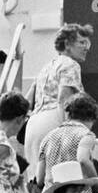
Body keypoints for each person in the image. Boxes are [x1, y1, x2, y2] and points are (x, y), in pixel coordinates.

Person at [23, 22, 93, 165]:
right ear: (67, 44)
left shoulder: (46, 67)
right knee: (59, 178)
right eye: (82, 42)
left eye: (88, 43)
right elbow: (63, 99)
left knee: (37, 179)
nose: (87, 48)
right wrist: (68, 134)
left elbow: (27, 99)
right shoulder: (71, 64)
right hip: (54, 122)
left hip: (34, 125)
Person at [34, 93, 98, 193]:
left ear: (69, 114)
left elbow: (39, 178)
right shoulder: (86, 135)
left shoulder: (48, 137)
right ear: (92, 117)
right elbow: (83, 159)